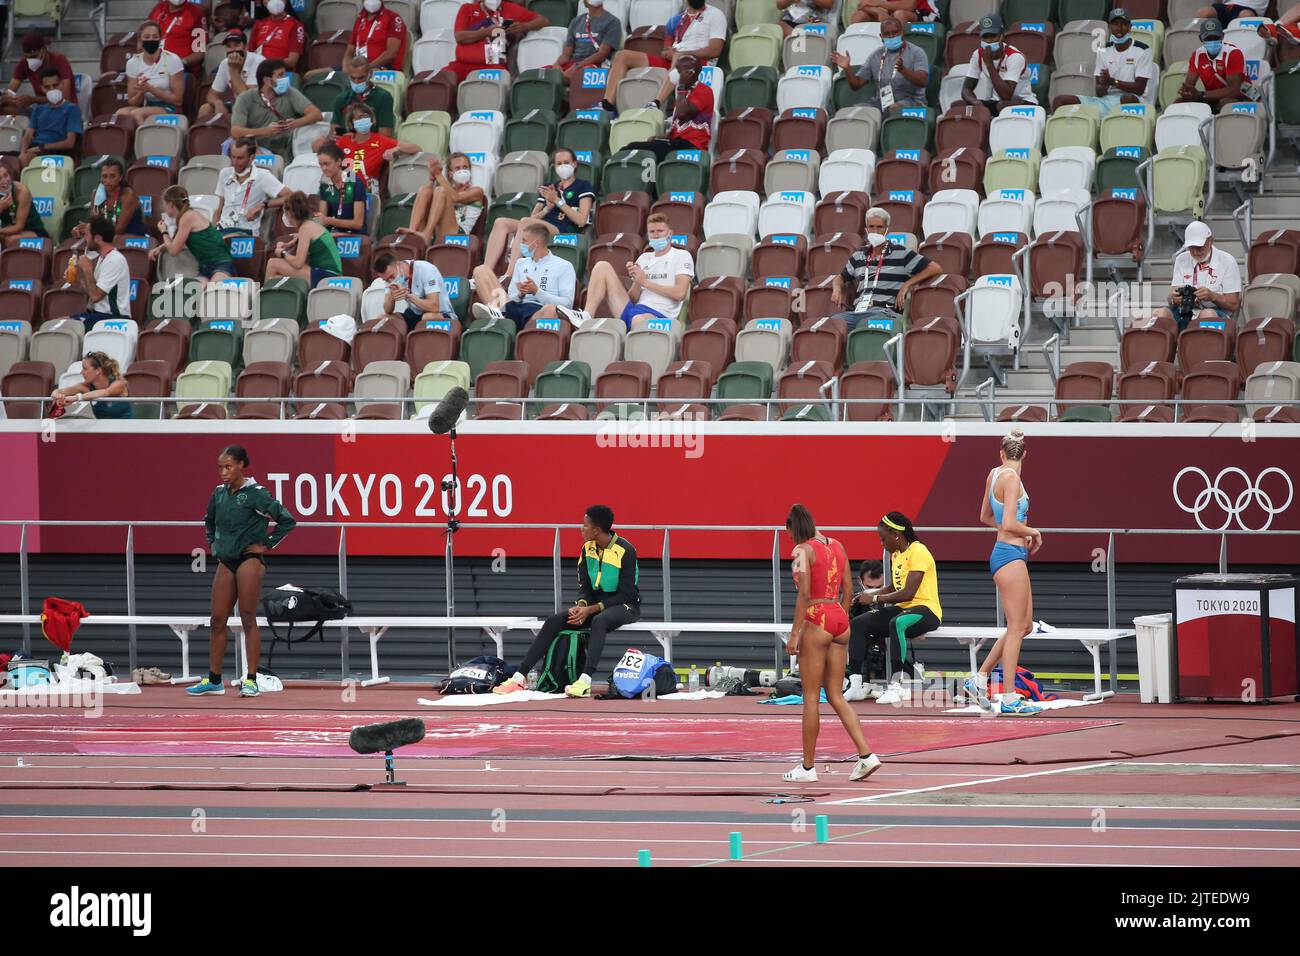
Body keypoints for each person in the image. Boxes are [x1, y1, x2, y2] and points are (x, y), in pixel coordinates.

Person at [494, 505, 640, 699]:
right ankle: (518, 678)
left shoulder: (625, 550)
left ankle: (585, 681)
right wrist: (581, 607)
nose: (581, 528)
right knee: (554, 620)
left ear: (596, 530)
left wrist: (591, 610)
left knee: (599, 621)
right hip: (593, 606)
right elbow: (585, 587)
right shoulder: (586, 549)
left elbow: (626, 594)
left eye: (585, 525)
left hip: (625, 605)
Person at [782, 504, 882, 784]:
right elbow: (850, 589)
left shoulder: (802, 551)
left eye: (789, 534)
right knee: (836, 695)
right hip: (839, 619)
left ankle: (807, 767)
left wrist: (794, 634)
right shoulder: (837, 545)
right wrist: (837, 613)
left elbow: (803, 595)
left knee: (811, 697)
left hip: (817, 616)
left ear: (793, 528)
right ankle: (866, 755)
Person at [189, 444, 297, 698]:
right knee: (217, 621)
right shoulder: (218, 494)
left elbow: (287, 520)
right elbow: (209, 521)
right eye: (220, 467)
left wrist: (267, 543)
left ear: (241, 466)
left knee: (248, 617)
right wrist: (214, 544)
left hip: (250, 559)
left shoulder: (257, 493)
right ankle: (214, 680)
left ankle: (251, 680)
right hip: (226, 561)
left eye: (228, 466)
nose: (223, 472)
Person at [964, 431, 1044, 717]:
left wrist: (1012, 532)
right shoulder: (1011, 478)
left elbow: (986, 516)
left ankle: (979, 677)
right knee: (1015, 628)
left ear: (1001, 453)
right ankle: (1009, 697)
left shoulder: (994, 474)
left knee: (1024, 626)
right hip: (1009, 556)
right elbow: (1009, 522)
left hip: (1009, 554)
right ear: (1024, 454)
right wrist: (1032, 531)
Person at [480, 147, 593, 280]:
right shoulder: (549, 186)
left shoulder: (584, 186)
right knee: (501, 222)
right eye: (559, 163)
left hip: (562, 229)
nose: (563, 166)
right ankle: (484, 274)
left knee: (525, 222)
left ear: (574, 164)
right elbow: (531, 218)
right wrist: (547, 209)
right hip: (541, 225)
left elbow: (581, 220)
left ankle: (509, 275)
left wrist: (557, 201)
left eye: (566, 162)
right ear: (555, 167)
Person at [597, 0, 726, 114]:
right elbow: (665, 49)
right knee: (622, 56)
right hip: (674, 59)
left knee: (679, 58)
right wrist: (668, 53)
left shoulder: (715, 14)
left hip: (698, 61)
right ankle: (607, 105)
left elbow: (715, 50)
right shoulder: (677, 20)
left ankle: (656, 103)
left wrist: (683, 53)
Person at [869, 512, 942, 706]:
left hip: (927, 609)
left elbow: (908, 592)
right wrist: (869, 596)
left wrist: (876, 597)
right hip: (905, 607)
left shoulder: (919, 551)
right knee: (862, 622)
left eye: (883, 538)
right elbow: (895, 587)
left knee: (897, 622)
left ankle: (896, 685)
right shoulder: (896, 554)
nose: (881, 543)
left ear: (896, 535)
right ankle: (858, 683)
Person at [569, 213, 692, 328]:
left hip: (660, 315)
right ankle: (587, 315)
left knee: (638, 320)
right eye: (652, 232)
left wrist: (645, 282)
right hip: (634, 310)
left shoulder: (681, 255)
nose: (655, 235)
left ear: (670, 233)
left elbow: (680, 293)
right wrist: (637, 280)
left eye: (660, 231)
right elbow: (633, 298)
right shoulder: (644, 258)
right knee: (602, 266)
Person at [831, 207, 942, 330]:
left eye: (880, 227)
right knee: (833, 324)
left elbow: (935, 268)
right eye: (871, 227)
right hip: (858, 312)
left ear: (887, 230)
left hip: (885, 312)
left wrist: (907, 284)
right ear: (866, 230)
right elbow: (840, 277)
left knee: (871, 322)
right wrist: (836, 288)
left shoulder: (901, 253)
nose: (875, 231)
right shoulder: (859, 255)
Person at [470, 222, 576, 328]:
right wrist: (520, 294)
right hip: (514, 306)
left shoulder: (564, 266)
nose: (520, 244)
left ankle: (511, 326)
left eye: (524, 241)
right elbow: (512, 297)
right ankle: (497, 314)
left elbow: (567, 304)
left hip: (537, 311)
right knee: (481, 270)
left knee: (550, 310)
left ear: (536, 243)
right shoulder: (521, 263)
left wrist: (537, 292)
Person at [1052, 9, 1154, 113]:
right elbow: (1099, 92)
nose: (1119, 28)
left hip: (1133, 100)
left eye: (1124, 24)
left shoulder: (1143, 50)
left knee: (1126, 98)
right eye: (1115, 24)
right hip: (1105, 101)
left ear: (1130, 27)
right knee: (1060, 100)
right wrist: (1103, 85)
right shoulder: (1103, 50)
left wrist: (1113, 82)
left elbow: (1140, 89)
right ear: (1109, 27)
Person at [1149, 221, 1241, 332]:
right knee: (1159, 314)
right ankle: (1163, 348)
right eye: (1192, 248)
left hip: (1217, 312)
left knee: (1207, 314)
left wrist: (1212, 296)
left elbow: (1233, 305)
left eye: (1200, 247)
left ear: (1211, 240)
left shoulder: (1227, 261)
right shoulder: (1181, 259)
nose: (1196, 252)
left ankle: (1202, 348)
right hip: (1184, 310)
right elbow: (1171, 297)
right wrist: (1174, 298)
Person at [231, 59, 323, 162]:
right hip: (257, 150)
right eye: (281, 75)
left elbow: (316, 114)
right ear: (267, 81)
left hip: (285, 150)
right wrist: (265, 131)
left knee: (279, 161)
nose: (285, 78)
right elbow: (235, 131)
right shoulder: (245, 98)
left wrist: (294, 123)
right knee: (272, 162)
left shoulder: (290, 92)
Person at [832, 17, 928, 115]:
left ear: (902, 33)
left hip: (912, 101)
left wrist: (903, 70)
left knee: (894, 109)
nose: (891, 36)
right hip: (882, 102)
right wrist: (847, 68)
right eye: (887, 34)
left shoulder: (916, 52)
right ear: (881, 36)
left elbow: (923, 81)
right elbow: (856, 85)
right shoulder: (876, 55)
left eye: (895, 32)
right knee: (856, 111)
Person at [628, 54, 714, 161]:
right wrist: (662, 137)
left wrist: (681, 85)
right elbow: (678, 127)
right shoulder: (683, 92)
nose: (674, 72)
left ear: (690, 73)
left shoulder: (704, 91)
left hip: (692, 146)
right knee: (629, 148)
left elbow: (682, 114)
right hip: (676, 143)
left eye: (678, 69)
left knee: (636, 151)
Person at [148, 184, 235, 283]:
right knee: (194, 293)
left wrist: (164, 231)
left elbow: (173, 250)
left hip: (221, 264)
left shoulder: (188, 217)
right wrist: (159, 248)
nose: (163, 207)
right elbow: (175, 241)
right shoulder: (184, 217)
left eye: (164, 203)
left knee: (212, 292)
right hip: (205, 268)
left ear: (171, 204)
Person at [396, 152, 486, 243]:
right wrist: (432, 178)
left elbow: (456, 198)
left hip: (459, 234)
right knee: (425, 190)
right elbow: (430, 195)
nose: (462, 171)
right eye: (458, 168)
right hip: (438, 230)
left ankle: (427, 233)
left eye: (465, 167)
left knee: (440, 190)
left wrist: (438, 174)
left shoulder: (477, 191)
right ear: (451, 174)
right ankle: (412, 230)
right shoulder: (448, 189)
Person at [448, 0, 548, 82]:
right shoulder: (467, 8)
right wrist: (486, 32)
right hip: (461, 64)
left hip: (492, 65)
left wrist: (524, 26)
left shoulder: (509, 8)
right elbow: (459, 37)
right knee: (442, 79)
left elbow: (543, 20)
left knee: (498, 83)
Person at [214, 135, 290, 236]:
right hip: (223, 230)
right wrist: (214, 230)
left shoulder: (263, 176)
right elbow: (220, 208)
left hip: (246, 233)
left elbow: (291, 196)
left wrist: (264, 205)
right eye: (233, 157)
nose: (234, 162)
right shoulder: (225, 173)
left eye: (240, 158)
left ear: (251, 158)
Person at [961, 13, 1037, 113]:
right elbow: (966, 89)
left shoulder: (1014, 57)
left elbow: (1006, 96)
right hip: (997, 102)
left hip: (1025, 103)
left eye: (993, 36)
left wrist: (989, 64)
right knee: (962, 106)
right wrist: (975, 102)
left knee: (1002, 106)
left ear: (1002, 36)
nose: (989, 41)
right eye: (985, 37)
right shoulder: (978, 54)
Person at [265, 190, 344, 285]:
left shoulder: (305, 229)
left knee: (272, 264)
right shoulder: (311, 223)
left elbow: (298, 263)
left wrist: (282, 253)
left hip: (327, 275)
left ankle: (265, 297)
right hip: (324, 272)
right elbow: (308, 238)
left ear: (289, 214)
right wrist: (289, 244)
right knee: (275, 279)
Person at [316, 55, 396, 148]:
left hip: (371, 146)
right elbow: (334, 131)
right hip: (345, 145)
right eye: (353, 78)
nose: (357, 82)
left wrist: (357, 138)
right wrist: (333, 137)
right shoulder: (341, 98)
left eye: (361, 78)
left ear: (370, 74)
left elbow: (385, 135)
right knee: (317, 144)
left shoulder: (383, 97)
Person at [117, 21, 186, 123]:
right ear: (140, 40)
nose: (151, 40)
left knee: (137, 113)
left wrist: (151, 89)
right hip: (147, 106)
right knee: (120, 113)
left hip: (170, 107)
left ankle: (144, 139)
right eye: (147, 37)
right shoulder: (132, 63)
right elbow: (132, 102)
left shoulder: (173, 60)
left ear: (160, 39)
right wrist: (141, 92)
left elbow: (178, 100)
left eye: (155, 36)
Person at [67, 217, 132, 326]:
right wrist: (77, 279)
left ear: (97, 238)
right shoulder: (103, 258)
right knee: (56, 325)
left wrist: (87, 269)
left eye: (86, 235)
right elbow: (92, 291)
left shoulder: (114, 260)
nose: (84, 240)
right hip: (98, 315)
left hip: (113, 318)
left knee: (63, 328)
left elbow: (95, 296)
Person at [334, 102, 420, 184]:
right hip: (344, 189)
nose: (363, 120)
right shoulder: (343, 141)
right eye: (359, 118)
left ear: (372, 119)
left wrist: (396, 149)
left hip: (368, 192)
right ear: (351, 123)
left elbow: (416, 148)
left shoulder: (381, 141)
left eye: (366, 116)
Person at [1177, 20, 1254, 111]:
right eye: (1208, 38)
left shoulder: (1233, 53)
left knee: (1224, 103)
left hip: (1242, 97)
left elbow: (1234, 91)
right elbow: (1189, 85)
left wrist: (1201, 95)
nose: (1212, 41)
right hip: (1212, 98)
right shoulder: (1197, 55)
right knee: (1178, 103)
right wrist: (1187, 93)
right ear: (1201, 39)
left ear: (1222, 36)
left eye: (1216, 37)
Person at [17, 68, 82, 167]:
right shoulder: (38, 109)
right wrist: (22, 153)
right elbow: (28, 136)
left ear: (62, 84)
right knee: (7, 158)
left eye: (55, 85)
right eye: (47, 87)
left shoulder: (72, 109)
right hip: (35, 148)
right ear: (42, 89)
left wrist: (42, 148)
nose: (52, 89)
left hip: (56, 151)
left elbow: (70, 143)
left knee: (27, 159)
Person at [376, 252, 456, 329]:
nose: (391, 281)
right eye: (386, 280)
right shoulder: (390, 280)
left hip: (442, 314)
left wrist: (409, 296)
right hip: (415, 314)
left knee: (427, 317)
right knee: (383, 318)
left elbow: (434, 307)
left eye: (392, 276)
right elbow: (387, 310)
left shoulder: (426, 269)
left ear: (398, 265)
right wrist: (391, 297)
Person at [3, 32, 77, 115]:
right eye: (27, 57)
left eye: (34, 56)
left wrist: (33, 100)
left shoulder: (59, 60)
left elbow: (65, 98)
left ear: (44, 49)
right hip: (42, 110)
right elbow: (10, 91)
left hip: (64, 110)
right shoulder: (24, 63)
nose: (30, 60)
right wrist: (8, 98)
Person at [845, 559, 887, 701]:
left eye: (879, 587)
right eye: (869, 587)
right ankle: (853, 683)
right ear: (860, 581)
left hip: (885, 650)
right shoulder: (852, 601)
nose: (873, 591)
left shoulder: (895, 599)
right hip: (857, 651)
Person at [199, 29, 264, 120]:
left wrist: (233, 71)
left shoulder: (258, 61)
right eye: (229, 46)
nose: (233, 50)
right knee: (205, 108)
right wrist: (217, 103)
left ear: (246, 47)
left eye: (236, 45)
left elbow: (249, 100)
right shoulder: (225, 63)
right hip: (237, 106)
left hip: (259, 108)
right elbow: (211, 95)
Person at [73, 159, 147, 239]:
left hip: (133, 240)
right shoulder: (96, 194)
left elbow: (119, 229)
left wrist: (90, 229)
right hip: (108, 240)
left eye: (112, 176)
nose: (108, 181)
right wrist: (80, 230)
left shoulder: (128, 195)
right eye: (105, 176)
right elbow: (94, 222)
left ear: (120, 177)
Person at [49, 352, 132, 420]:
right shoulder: (84, 387)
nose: (81, 372)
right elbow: (59, 391)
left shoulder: (119, 384)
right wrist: (57, 395)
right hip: (103, 432)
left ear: (98, 371)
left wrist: (76, 398)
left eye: (85, 369)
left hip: (125, 431)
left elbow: (105, 392)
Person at [555, 0, 622, 76]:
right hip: (573, 64)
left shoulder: (613, 22)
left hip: (595, 66)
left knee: (578, 75)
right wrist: (557, 64)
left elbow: (602, 55)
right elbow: (566, 55)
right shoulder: (576, 21)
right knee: (543, 73)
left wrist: (577, 66)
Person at [315, 143, 367, 234]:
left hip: (354, 236)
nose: (323, 168)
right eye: (321, 164)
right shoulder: (325, 182)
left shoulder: (355, 182)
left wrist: (329, 221)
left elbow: (358, 224)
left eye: (327, 164)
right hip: (333, 234)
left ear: (339, 162)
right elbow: (322, 220)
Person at [346, 0, 410, 72]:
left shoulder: (393, 18)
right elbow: (349, 51)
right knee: (331, 72)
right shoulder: (360, 20)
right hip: (359, 68)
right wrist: (346, 68)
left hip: (384, 68)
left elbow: (391, 54)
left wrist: (366, 68)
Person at [147, 0, 208, 72]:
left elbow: (200, 52)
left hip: (181, 70)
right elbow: (144, 35)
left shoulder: (196, 13)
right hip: (153, 66)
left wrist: (181, 62)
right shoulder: (158, 9)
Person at [249, 0, 307, 73]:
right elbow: (249, 55)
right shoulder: (258, 25)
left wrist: (266, 65)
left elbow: (292, 61)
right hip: (257, 72)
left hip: (281, 73)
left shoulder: (295, 25)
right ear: (264, 2)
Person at [0, 163, 49, 244]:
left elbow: (19, 227)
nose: (5, 181)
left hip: (32, 231)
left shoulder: (22, 192)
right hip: (7, 230)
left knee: (12, 240)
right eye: (0, 179)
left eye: (6, 175)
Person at [1194, 0, 1267, 28]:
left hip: (1248, 8)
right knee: (1203, 12)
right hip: (1227, 6)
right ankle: (1200, 53)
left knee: (1246, 17)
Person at [852, 0, 928, 25]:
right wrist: (878, 11)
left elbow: (910, 5)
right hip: (893, 15)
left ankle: (902, 53)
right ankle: (856, 53)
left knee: (899, 15)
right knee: (859, 15)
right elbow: (863, 4)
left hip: (925, 14)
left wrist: (880, 3)